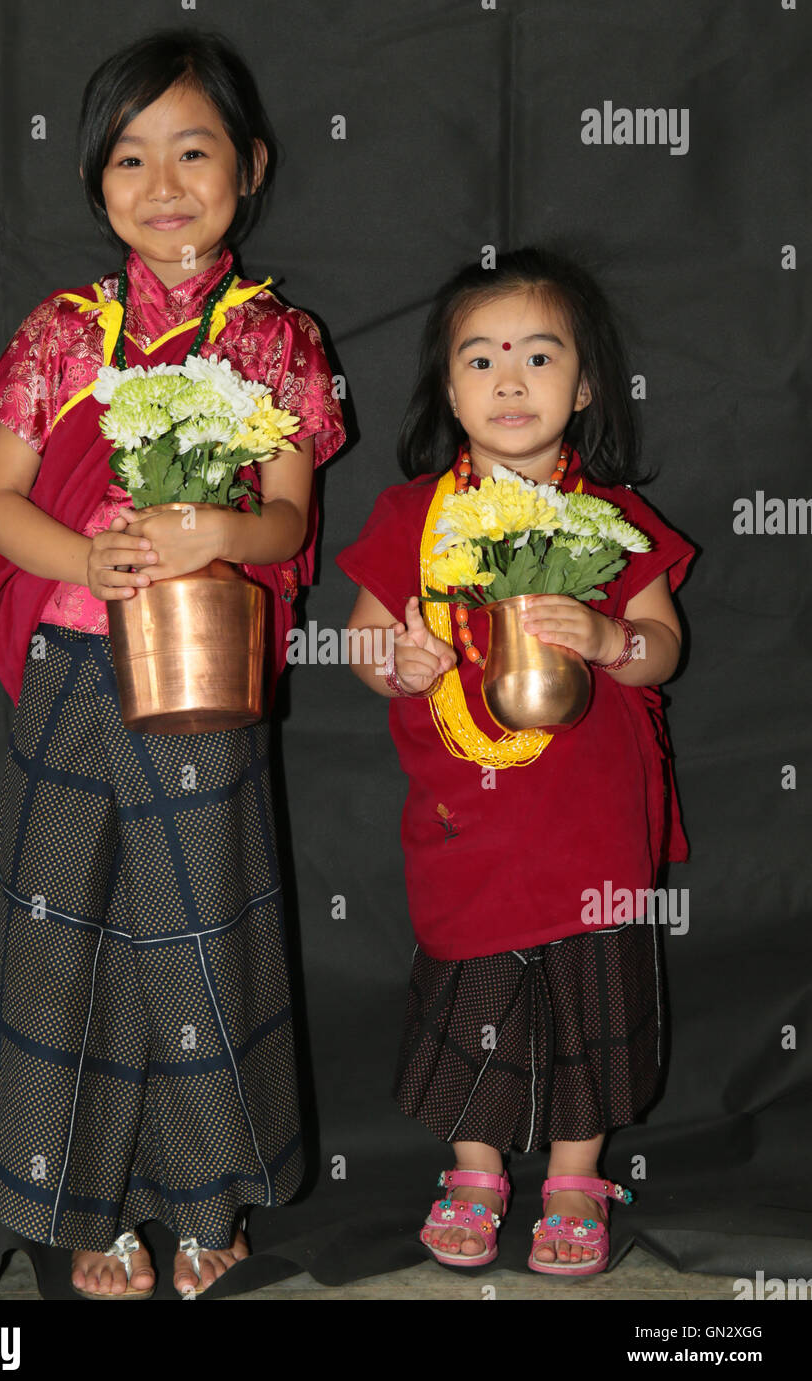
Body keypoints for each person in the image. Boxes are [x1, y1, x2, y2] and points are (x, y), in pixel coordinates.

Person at [0, 28, 345, 1299]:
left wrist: (215, 531)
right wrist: (85, 558)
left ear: (251, 166)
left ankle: (205, 1200)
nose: (163, 181)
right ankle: (83, 1209)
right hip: (76, 674)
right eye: (130, 157)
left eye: (194, 150)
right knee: (62, 940)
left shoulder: (276, 339)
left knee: (197, 941)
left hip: (200, 688)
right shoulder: (63, 334)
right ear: (95, 182)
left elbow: (288, 520)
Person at [336, 248, 694, 1276]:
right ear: (447, 387)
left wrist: (610, 638)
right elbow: (364, 642)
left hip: (591, 817)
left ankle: (578, 1176)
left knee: (594, 992)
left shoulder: (611, 516)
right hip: (467, 819)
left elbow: (663, 642)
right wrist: (392, 661)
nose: (508, 379)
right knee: (473, 993)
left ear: (582, 387)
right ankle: (476, 1168)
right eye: (480, 358)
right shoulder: (414, 515)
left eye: (539, 357)